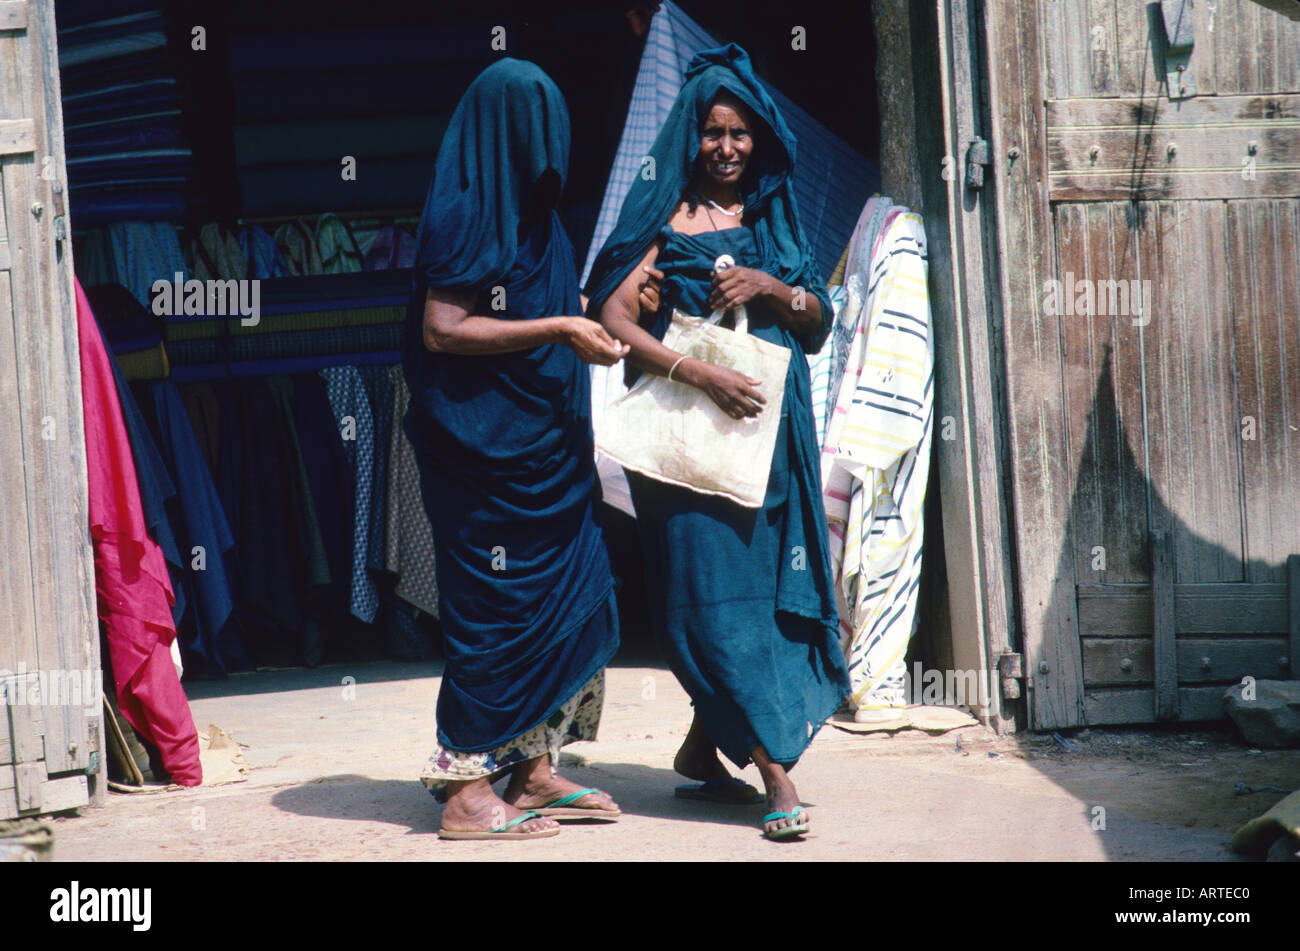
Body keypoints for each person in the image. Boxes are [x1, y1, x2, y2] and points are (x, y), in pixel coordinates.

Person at [585, 44, 850, 840]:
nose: (728, 149)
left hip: (771, 436)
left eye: (740, 134)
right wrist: (696, 370)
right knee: (714, 600)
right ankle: (776, 773)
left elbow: (817, 318)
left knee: (764, 595)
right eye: (713, 133)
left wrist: (774, 287)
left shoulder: (774, 212)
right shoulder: (660, 216)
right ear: (689, 137)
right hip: (694, 447)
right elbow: (613, 315)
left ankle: (706, 747)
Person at [403, 58, 630, 841]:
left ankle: (533, 768)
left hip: (547, 456)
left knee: (575, 593)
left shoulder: (538, 213)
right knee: (494, 614)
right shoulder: (468, 209)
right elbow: (445, 327)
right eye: (535, 128)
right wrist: (560, 329)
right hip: (484, 461)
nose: (549, 145)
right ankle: (467, 789)